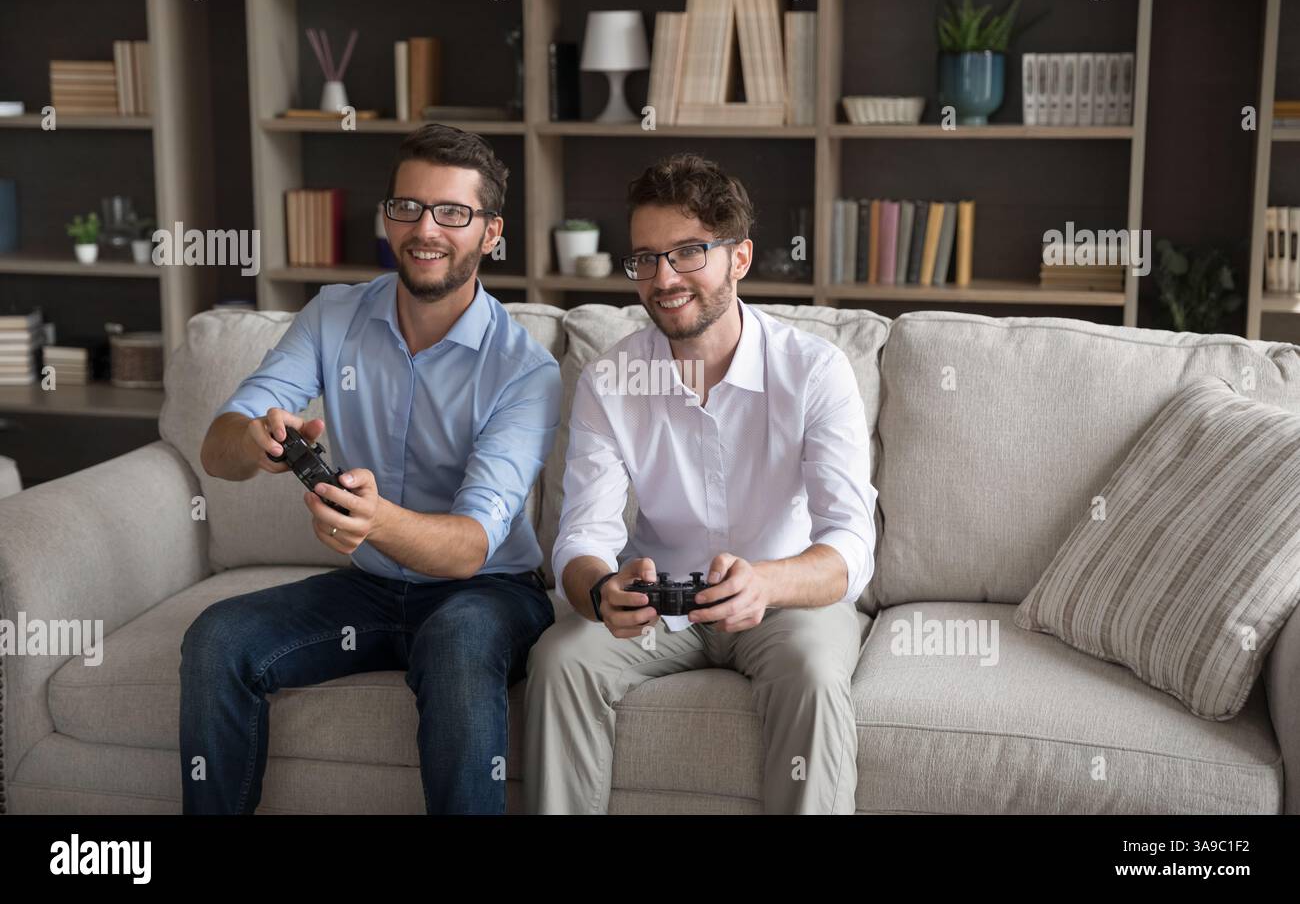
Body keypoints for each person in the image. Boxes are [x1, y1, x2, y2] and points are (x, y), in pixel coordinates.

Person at [181, 124, 561, 814]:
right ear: (387, 216)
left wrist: (374, 520)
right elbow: (217, 448)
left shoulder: (525, 368)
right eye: (408, 207)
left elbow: (470, 546)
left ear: (491, 232)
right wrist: (263, 440)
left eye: (453, 212)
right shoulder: (333, 315)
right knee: (218, 638)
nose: (426, 229)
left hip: (490, 590)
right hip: (374, 590)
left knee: (455, 641)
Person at [524, 152, 878, 814]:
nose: (664, 278)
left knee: (814, 672)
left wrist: (766, 583)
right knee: (558, 660)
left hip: (785, 598)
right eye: (647, 259)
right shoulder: (611, 379)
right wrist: (600, 592)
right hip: (662, 603)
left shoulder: (815, 372)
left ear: (739, 259)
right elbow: (580, 537)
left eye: (689, 253)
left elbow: (850, 545)